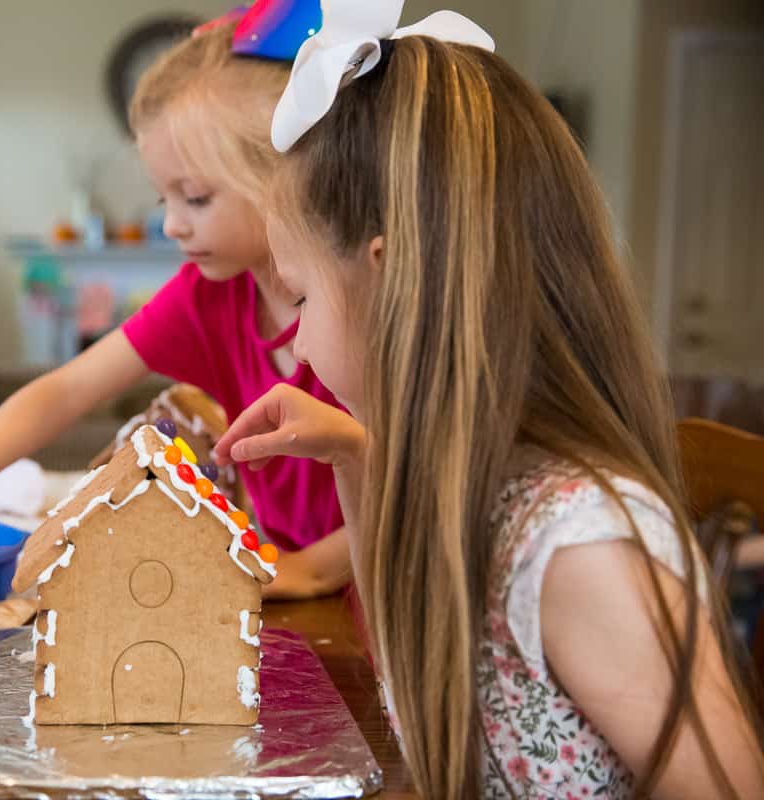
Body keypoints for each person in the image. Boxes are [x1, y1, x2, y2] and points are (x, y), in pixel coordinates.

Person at [215, 1, 764, 796]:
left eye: (300, 300)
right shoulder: (474, 480)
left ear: (390, 275)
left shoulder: (577, 551)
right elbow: (412, 676)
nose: (294, 345)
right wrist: (356, 457)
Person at [0, 3, 353, 599]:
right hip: (282, 584)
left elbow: (416, 477)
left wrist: (310, 570)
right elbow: (66, 389)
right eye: (165, 201)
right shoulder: (208, 295)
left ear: (286, 177)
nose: (171, 227)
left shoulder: (360, 304)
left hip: (367, 593)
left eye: (194, 198)